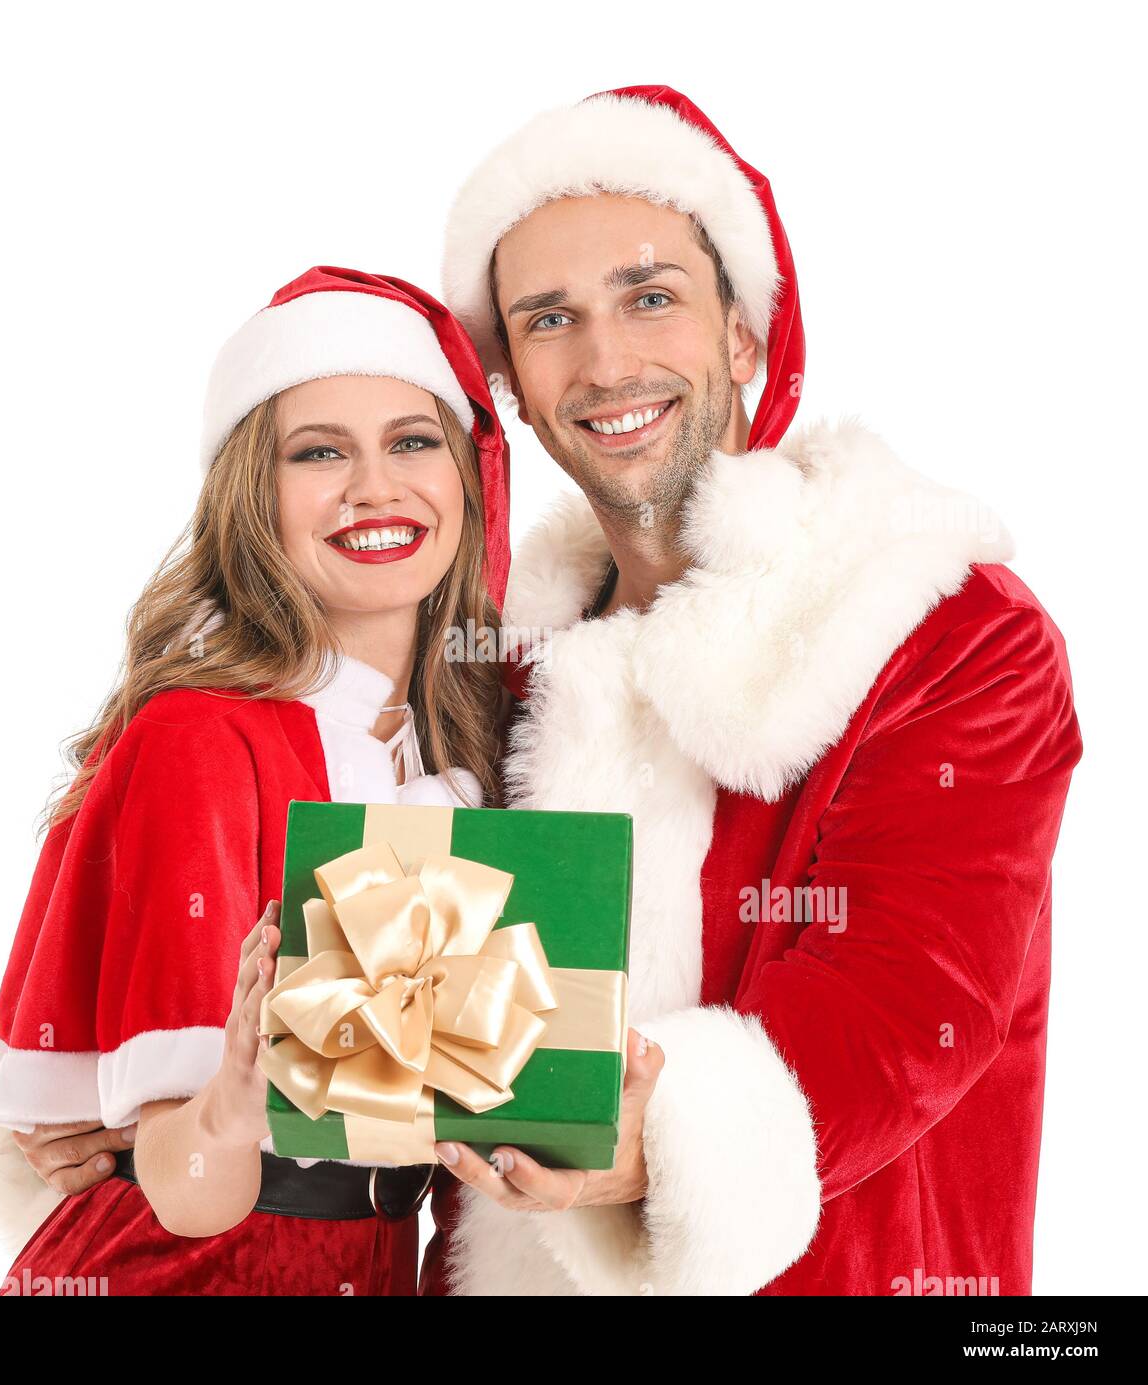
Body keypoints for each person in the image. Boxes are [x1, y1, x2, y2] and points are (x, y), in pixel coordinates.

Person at [418, 84, 1082, 1296]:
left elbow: (902, 1003)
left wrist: (652, 1139)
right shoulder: (494, 663)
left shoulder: (940, 625)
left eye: (649, 296)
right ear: (510, 376)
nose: (606, 358)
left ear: (740, 333)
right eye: (550, 318)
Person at [0, 266, 512, 1295]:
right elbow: (187, 1185)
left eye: (412, 440)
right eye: (318, 453)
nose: (374, 487)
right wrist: (229, 1097)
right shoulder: (198, 740)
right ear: (253, 498)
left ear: (466, 477)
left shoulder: (452, 747)